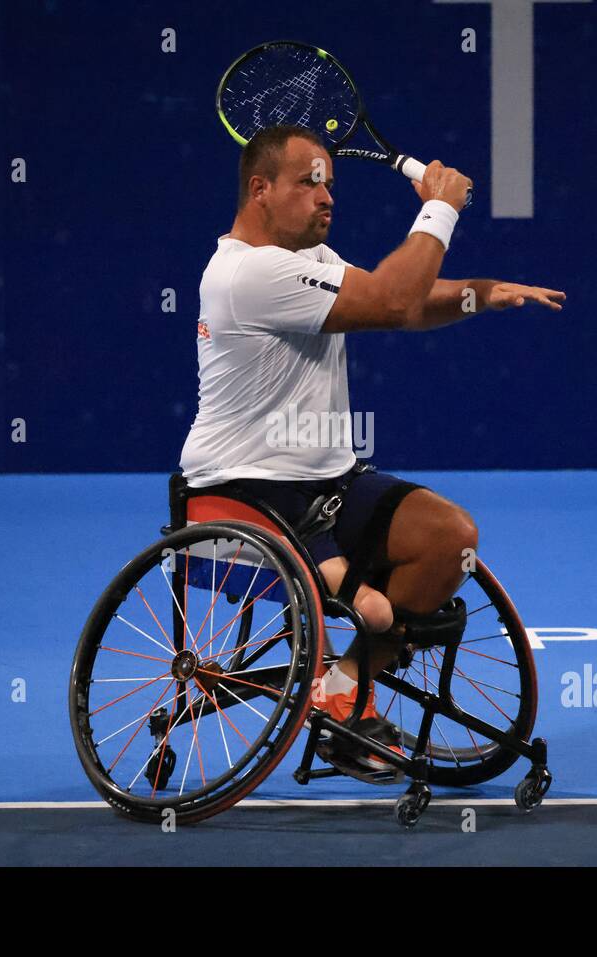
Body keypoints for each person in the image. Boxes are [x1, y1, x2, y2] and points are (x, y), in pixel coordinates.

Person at [179, 124, 565, 778]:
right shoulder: (249, 273)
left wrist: (479, 293)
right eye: (310, 182)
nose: (327, 198)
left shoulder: (310, 261)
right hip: (250, 497)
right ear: (260, 189)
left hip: (326, 487)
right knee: (382, 610)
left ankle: (342, 690)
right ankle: (351, 699)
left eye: (330, 183)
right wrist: (438, 207)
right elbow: (390, 299)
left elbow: (408, 305)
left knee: (449, 538)